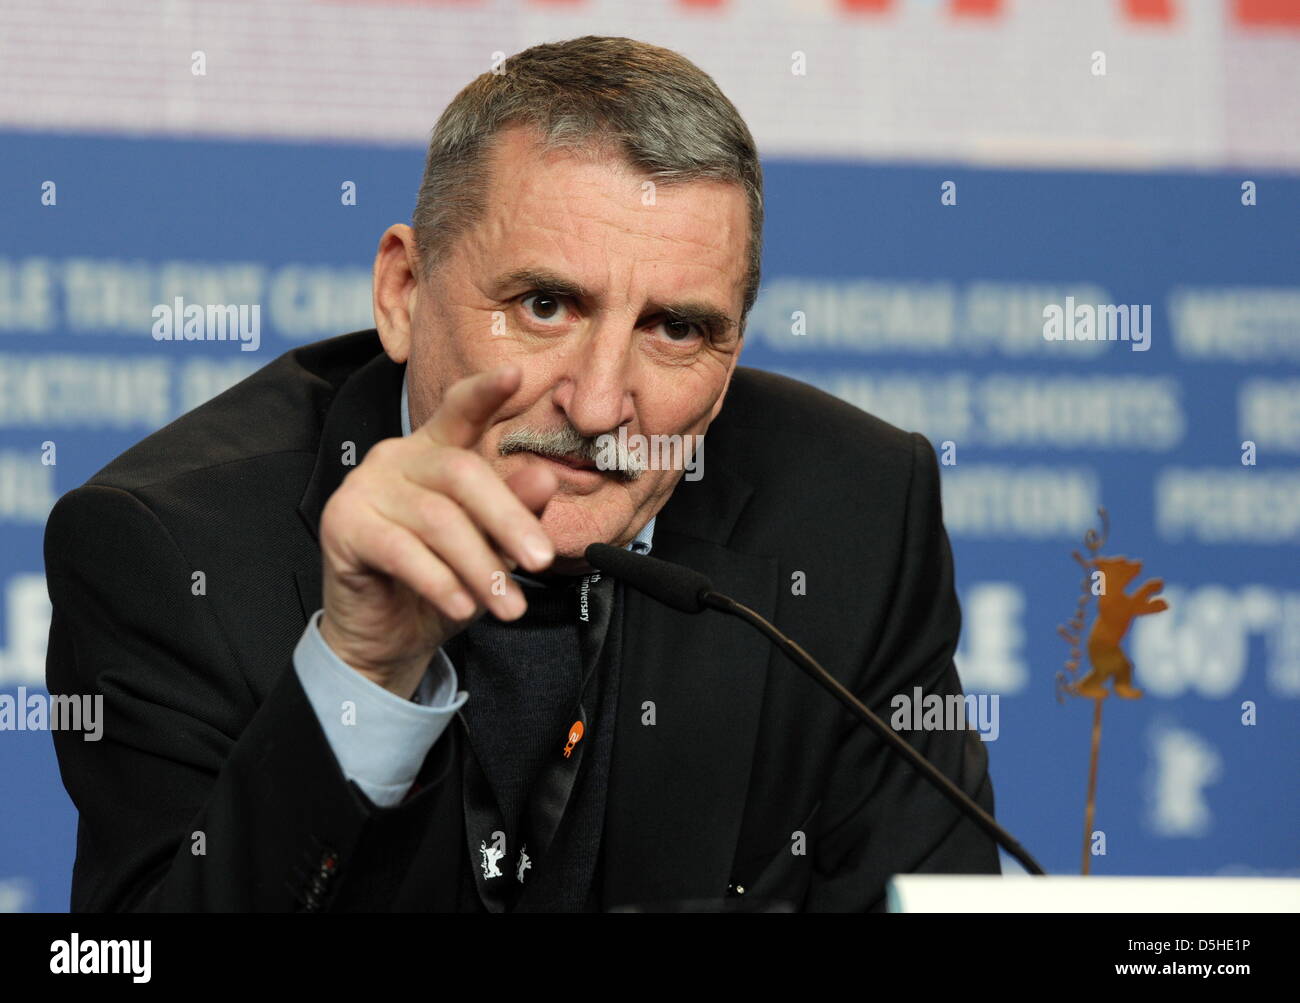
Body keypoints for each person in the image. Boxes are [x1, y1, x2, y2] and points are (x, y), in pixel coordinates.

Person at [44, 35, 999, 912]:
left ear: (731, 357)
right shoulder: (172, 547)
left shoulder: (858, 517)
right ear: (403, 294)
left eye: (675, 329)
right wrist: (360, 674)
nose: (596, 405)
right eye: (545, 305)